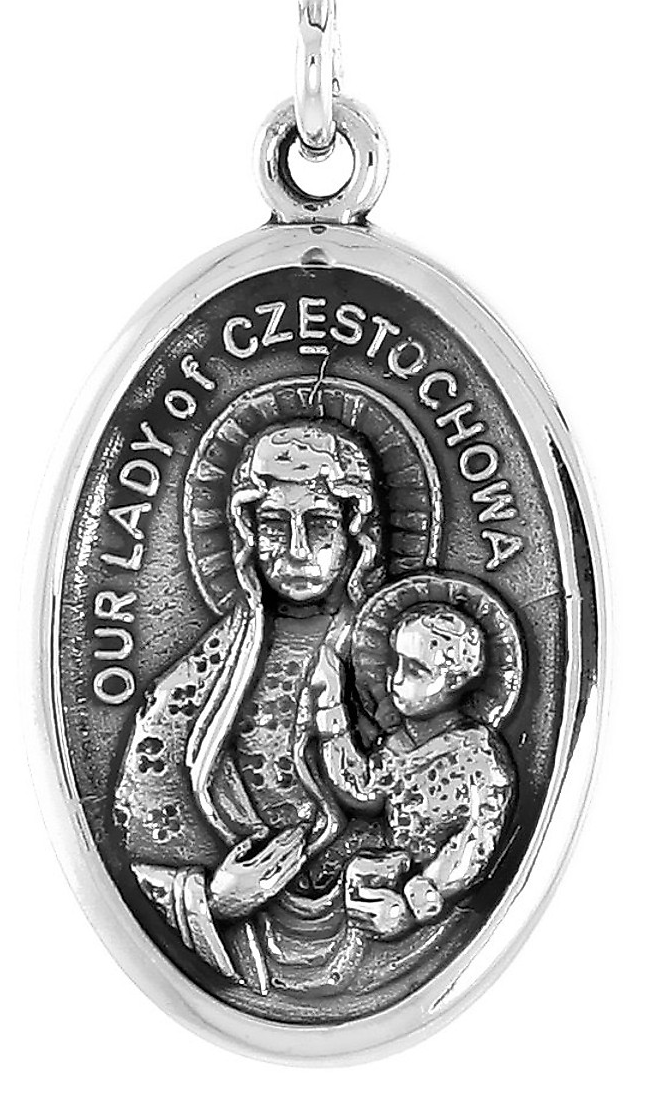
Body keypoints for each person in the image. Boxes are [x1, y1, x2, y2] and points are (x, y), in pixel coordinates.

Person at [111, 420, 385, 992]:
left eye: (321, 524)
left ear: (357, 532)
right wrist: (213, 899)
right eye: (273, 525)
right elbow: (130, 861)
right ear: (245, 535)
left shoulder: (402, 660)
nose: (297, 551)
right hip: (237, 953)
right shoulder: (197, 686)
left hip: (384, 933)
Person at [315, 601, 517, 938]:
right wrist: (331, 710)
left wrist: (429, 889)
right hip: (384, 872)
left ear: (456, 680)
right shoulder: (396, 744)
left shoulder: (477, 754)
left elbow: (479, 832)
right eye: (395, 663)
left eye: (416, 670)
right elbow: (362, 789)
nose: (396, 679)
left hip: (428, 894)